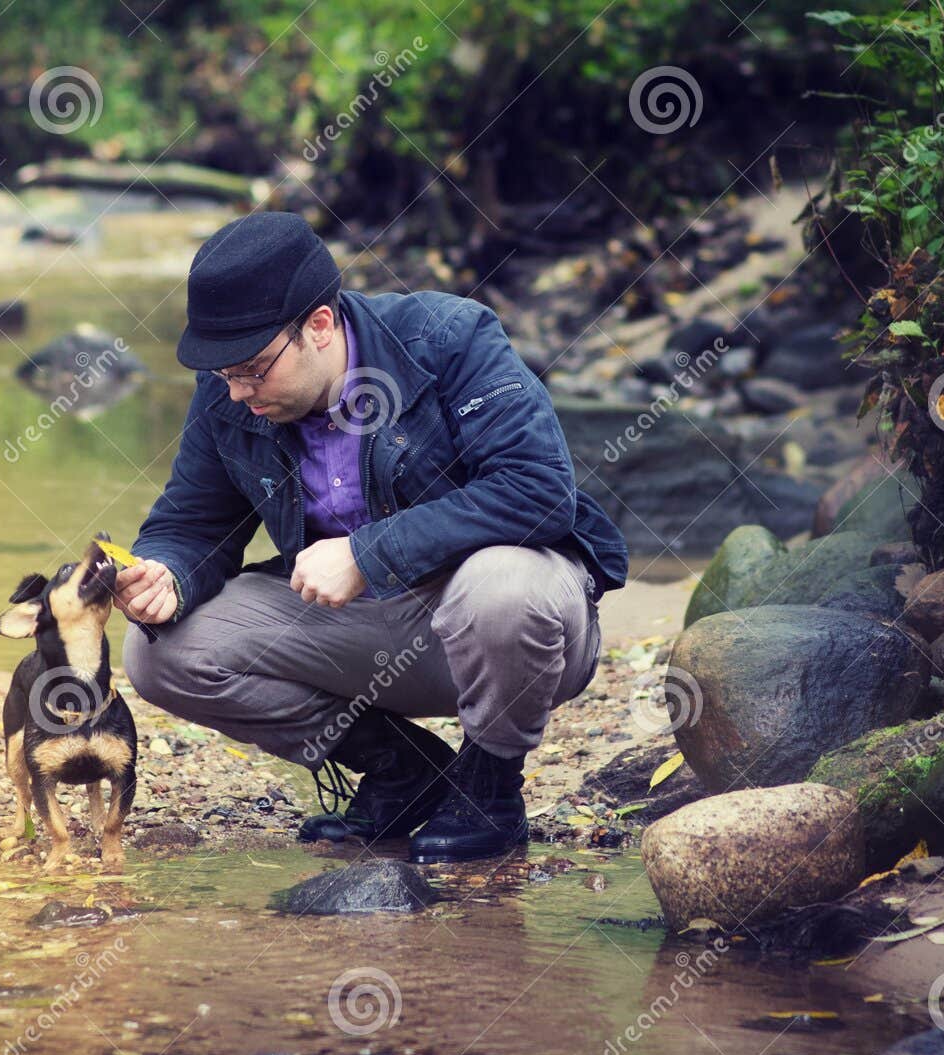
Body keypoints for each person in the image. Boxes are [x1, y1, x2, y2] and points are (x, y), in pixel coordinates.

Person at [114, 212, 628, 862]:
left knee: (501, 587)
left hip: (512, 626)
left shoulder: (449, 339)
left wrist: (368, 552)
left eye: (253, 369)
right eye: (224, 375)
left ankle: (490, 785)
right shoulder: (231, 390)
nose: (239, 392)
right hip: (362, 628)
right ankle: (404, 770)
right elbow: (193, 523)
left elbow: (539, 490)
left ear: (320, 326)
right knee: (158, 653)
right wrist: (167, 572)